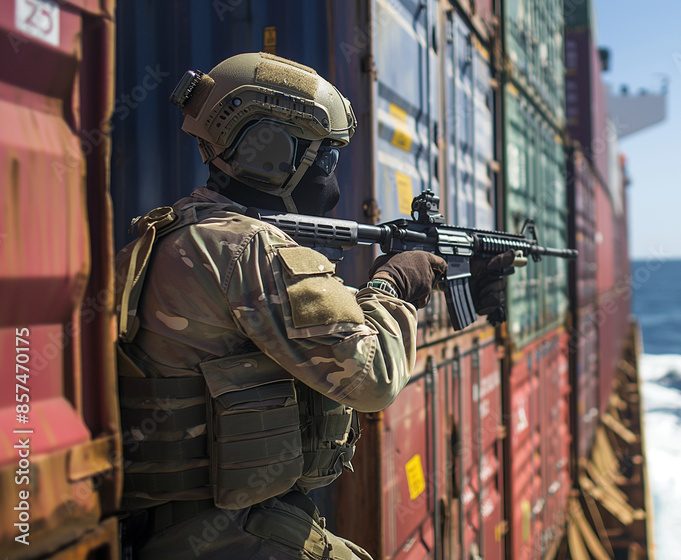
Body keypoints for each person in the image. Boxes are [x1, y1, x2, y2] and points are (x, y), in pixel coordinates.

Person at [115, 52, 508, 560]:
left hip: (181, 526)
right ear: (274, 154)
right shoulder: (248, 248)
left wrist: (452, 286)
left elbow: (318, 328)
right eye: (326, 158)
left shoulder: (179, 234)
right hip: (224, 534)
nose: (331, 178)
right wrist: (392, 284)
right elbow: (372, 376)